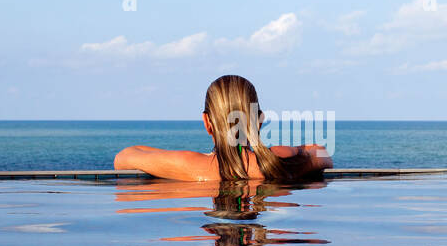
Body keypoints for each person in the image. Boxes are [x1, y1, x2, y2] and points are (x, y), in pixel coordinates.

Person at [113, 74, 332, 181]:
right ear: (260, 120)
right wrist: (288, 151)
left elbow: (124, 157)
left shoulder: (192, 164)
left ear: (207, 123)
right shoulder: (279, 162)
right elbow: (322, 153)